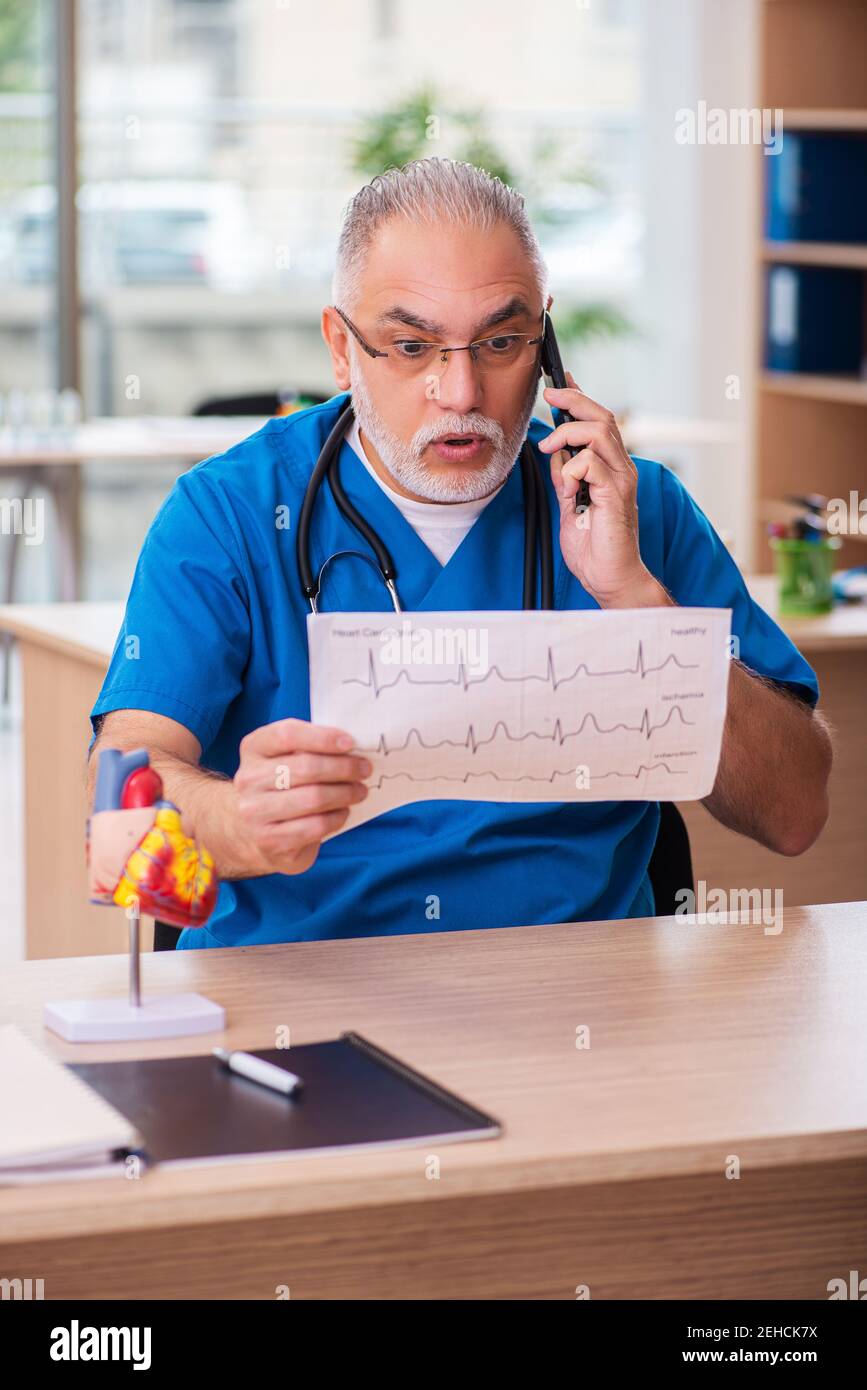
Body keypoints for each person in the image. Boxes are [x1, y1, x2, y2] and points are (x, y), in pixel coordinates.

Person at [87, 158, 831, 949]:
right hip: (303, 1003)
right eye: (412, 347)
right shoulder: (229, 512)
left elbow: (793, 814)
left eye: (500, 343)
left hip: (582, 1005)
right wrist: (237, 822)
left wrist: (638, 602)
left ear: (545, 347)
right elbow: (120, 800)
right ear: (341, 348)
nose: (462, 393)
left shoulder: (633, 510)